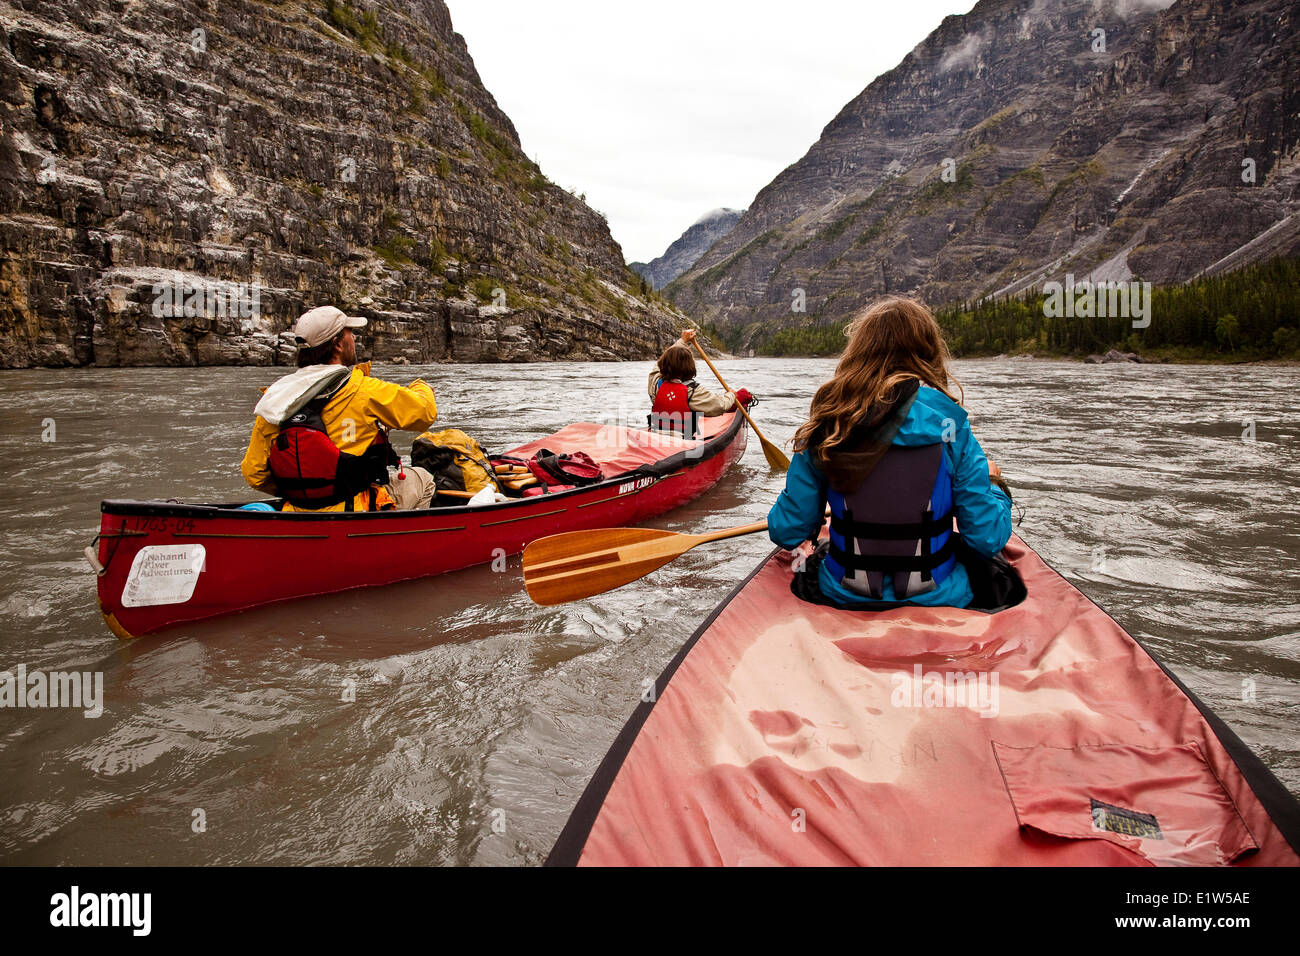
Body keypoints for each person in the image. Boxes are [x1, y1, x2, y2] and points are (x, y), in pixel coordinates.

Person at [768, 297, 1012, 609]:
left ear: (858, 350)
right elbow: (986, 538)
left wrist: (815, 506)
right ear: (926, 352)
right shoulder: (953, 427)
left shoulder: (827, 426)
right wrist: (994, 485)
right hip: (941, 596)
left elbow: (786, 531)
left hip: (841, 593)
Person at [240, 306, 439, 512]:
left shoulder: (276, 398)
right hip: (356, 509)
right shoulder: (363, 389)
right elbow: (424, 413)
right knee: (424, 479)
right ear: (337, 345)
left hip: (295, 510)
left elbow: (255, 474)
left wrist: (305, 492)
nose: (354, 338)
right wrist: (421, 387)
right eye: (350, 333)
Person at [648, 328, 754, 437]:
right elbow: (720, 406)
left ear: (664, 364)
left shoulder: (656, 383)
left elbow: (657, 366)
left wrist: (682, 340)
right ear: (689, 367)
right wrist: (732, 394)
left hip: (656, 438)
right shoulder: (693, 391)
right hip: (682, 443)